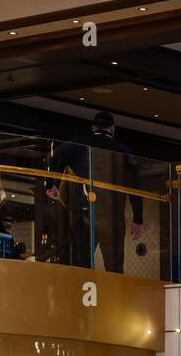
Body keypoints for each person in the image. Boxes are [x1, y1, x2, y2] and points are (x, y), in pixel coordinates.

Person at [46, 111, 144, 273]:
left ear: (93, 127)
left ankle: (80, 295)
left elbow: (55, 155)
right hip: (112, 218)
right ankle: (113, 296)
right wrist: (138, 219)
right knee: (114, 268)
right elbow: (133, 186)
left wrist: (52, 184)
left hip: (84, 216)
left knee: (80, 265)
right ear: (112, 129)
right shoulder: (121, 150)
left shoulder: (78, 144)